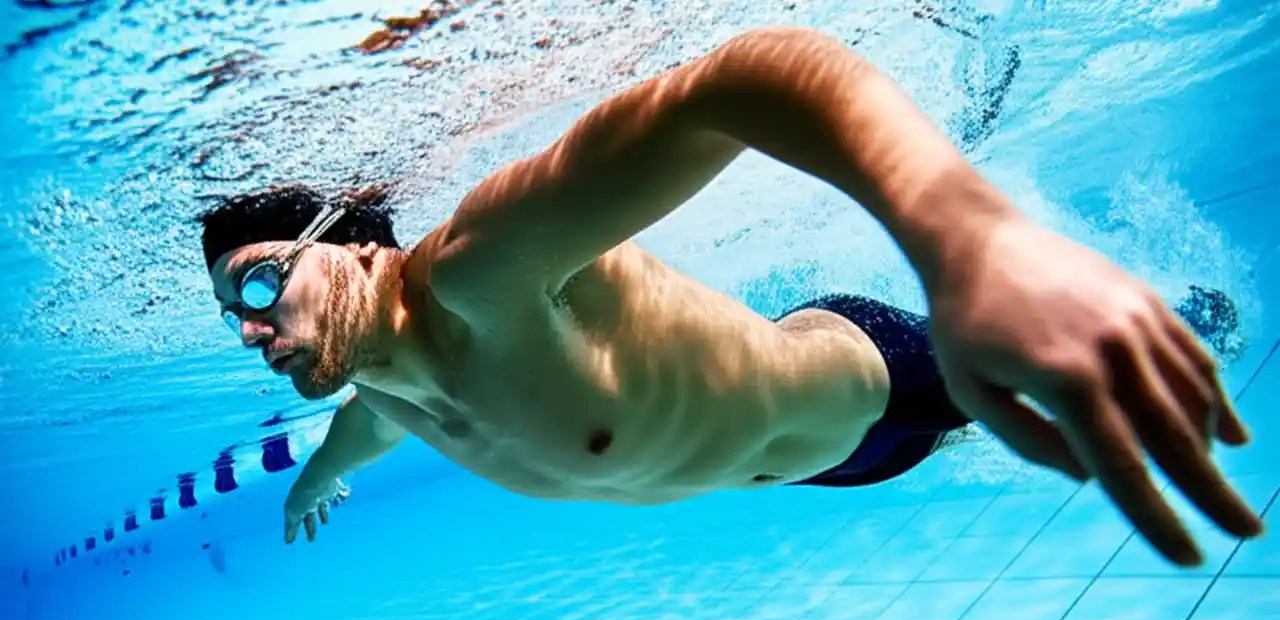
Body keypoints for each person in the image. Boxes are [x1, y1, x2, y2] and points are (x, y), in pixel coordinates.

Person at [200, 27, 1263, 565]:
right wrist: (308, 488)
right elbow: (358, 438)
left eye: (259, 279)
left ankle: (1183, 314)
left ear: (349, 245)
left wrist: (966, 239)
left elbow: (736, 83)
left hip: (871, 385)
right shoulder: (385, 393)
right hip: (819, 471)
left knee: (1068, 388)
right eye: (231, 312)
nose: (251, 329)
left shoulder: (483, 268)